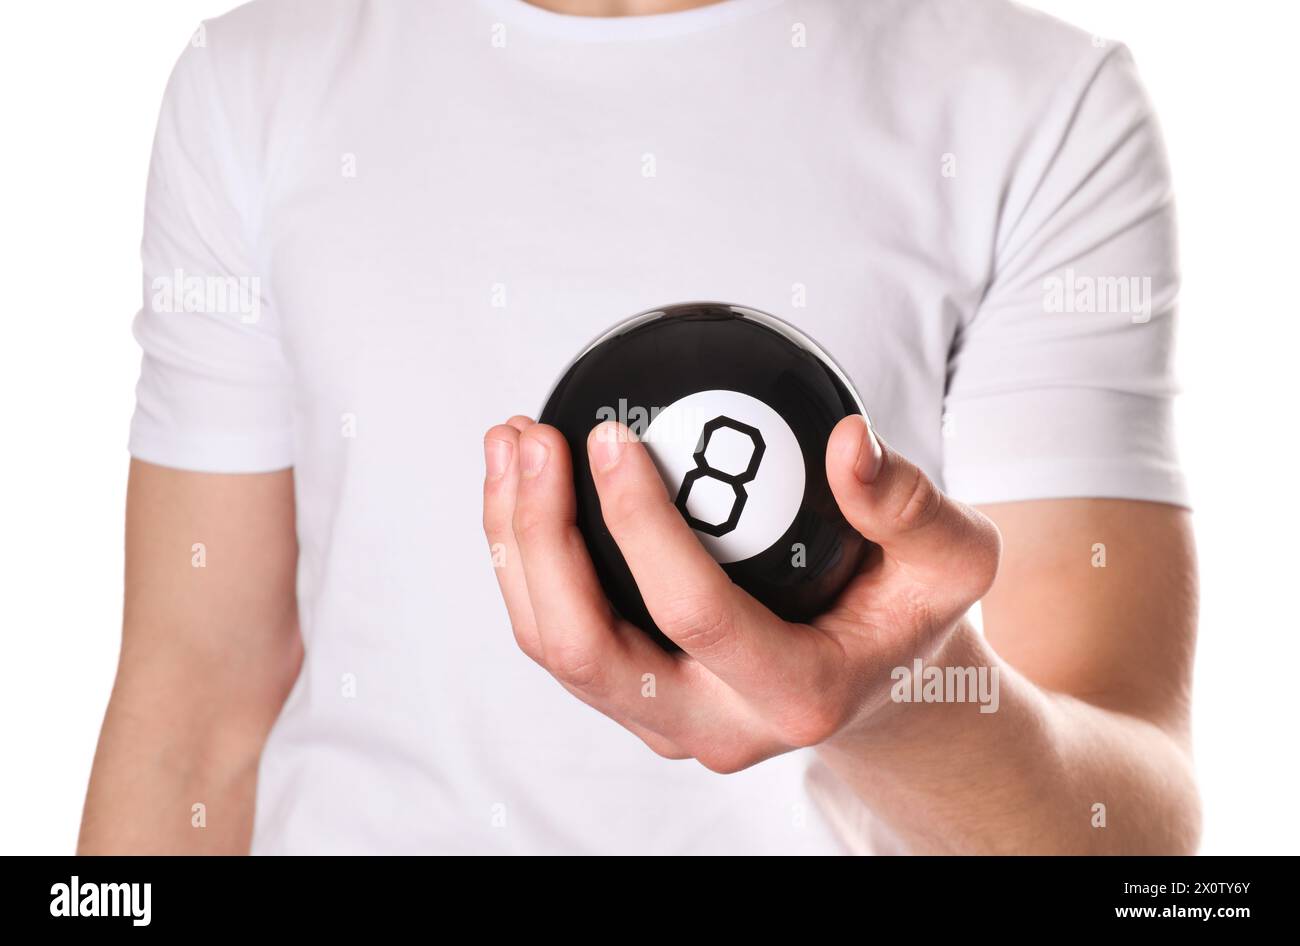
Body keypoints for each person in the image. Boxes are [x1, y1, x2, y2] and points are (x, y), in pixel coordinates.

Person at [79, 0, 1199, 855]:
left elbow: (1138, 845)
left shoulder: (1033, 101)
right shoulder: (253, 79)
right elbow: (193, 707)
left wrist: (897, 699)